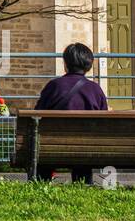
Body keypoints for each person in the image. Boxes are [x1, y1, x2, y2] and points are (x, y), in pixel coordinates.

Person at [34, 42, 108, 184]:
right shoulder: (95, 89)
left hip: (52, 148)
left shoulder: (54, 86)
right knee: (83, 152)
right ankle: (83, 184)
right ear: (88, 65)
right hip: (85, 150)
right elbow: (103, 122)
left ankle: (42, 183)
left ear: (65, 63)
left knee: (45, 153)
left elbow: (37, 114)